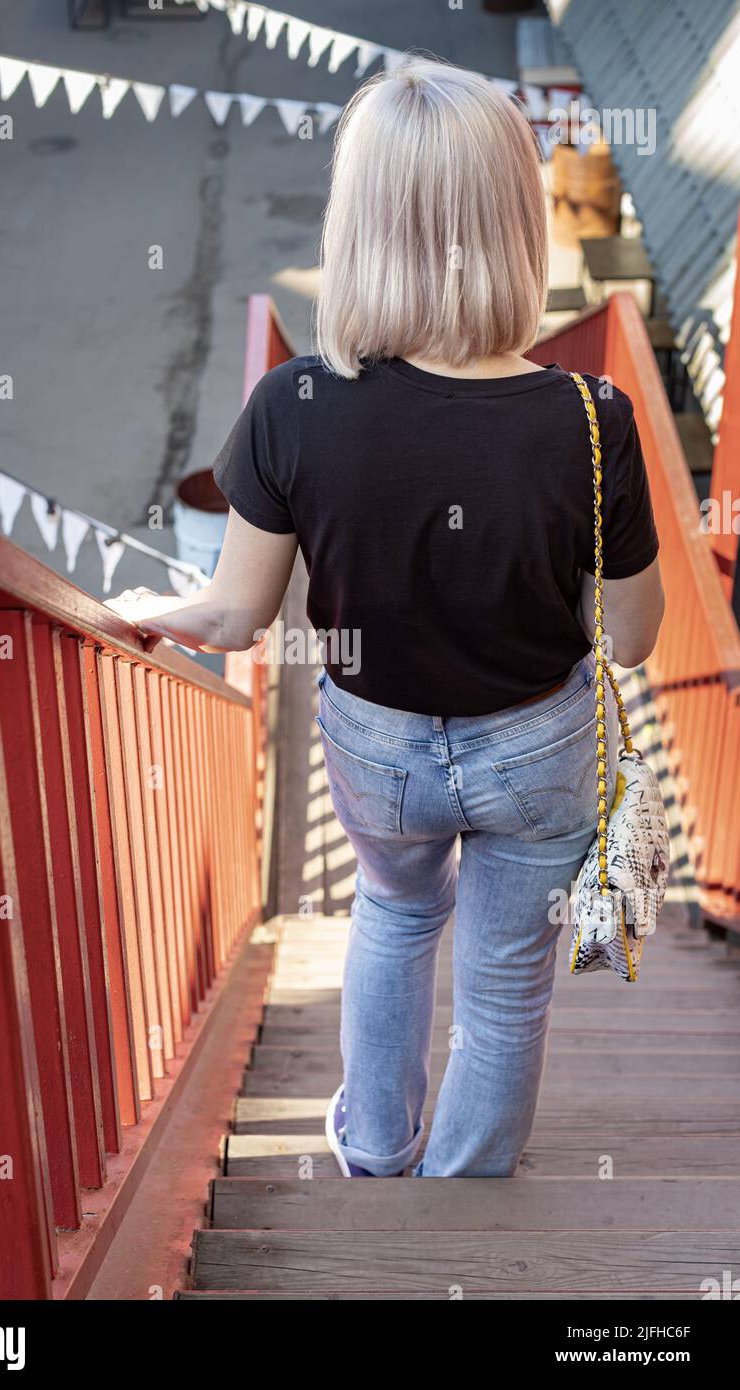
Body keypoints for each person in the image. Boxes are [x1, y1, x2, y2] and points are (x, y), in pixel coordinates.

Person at [107, 59, 663, 1179]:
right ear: (511, 222)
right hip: (537, 744)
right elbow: (635, 637)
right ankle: (461, 1189)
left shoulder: (292, 405)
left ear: (359, 222)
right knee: (505, 981)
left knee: (394, 914)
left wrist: (142, 608)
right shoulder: (587, 419)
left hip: (379, 743)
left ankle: (372, 1147)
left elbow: (235, 612)